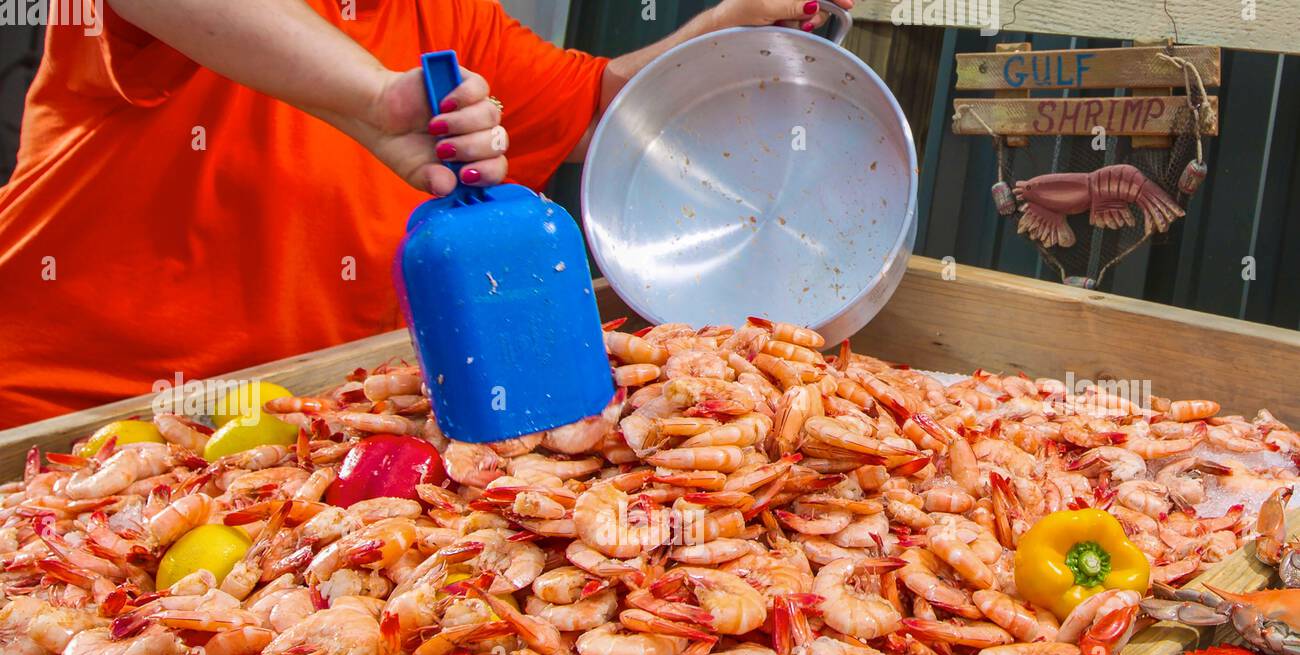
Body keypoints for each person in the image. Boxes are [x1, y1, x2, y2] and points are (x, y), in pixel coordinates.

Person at [0, 0, 853, 428]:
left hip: (307, 423)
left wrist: (725, 30)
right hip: (78, 424)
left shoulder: (438, 12)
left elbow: (596, 111)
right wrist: (373, 98)